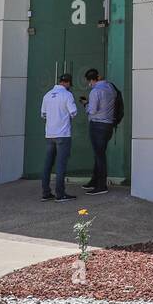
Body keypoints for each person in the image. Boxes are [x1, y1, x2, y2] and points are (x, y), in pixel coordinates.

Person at [80, 69, 120, 194]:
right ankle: (94, 181)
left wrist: (85, 104)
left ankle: (101, 186)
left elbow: (92, 111)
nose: (89, 84)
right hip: (108, 125)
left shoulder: (95, 91)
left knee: (99, 155)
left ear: (92, 80)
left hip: (97, 125)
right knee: (99, 153)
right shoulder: (110, 87)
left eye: (89, 82)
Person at [40, 74, 77, 203]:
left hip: (49, 134)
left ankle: (46, 193)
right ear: (67, 83)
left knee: (47, 164)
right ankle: (60, 194)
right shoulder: (67, 95)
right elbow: (73, 113)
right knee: (61, 165)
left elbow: (43, 115)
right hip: (63, 134)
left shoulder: (47, 95)